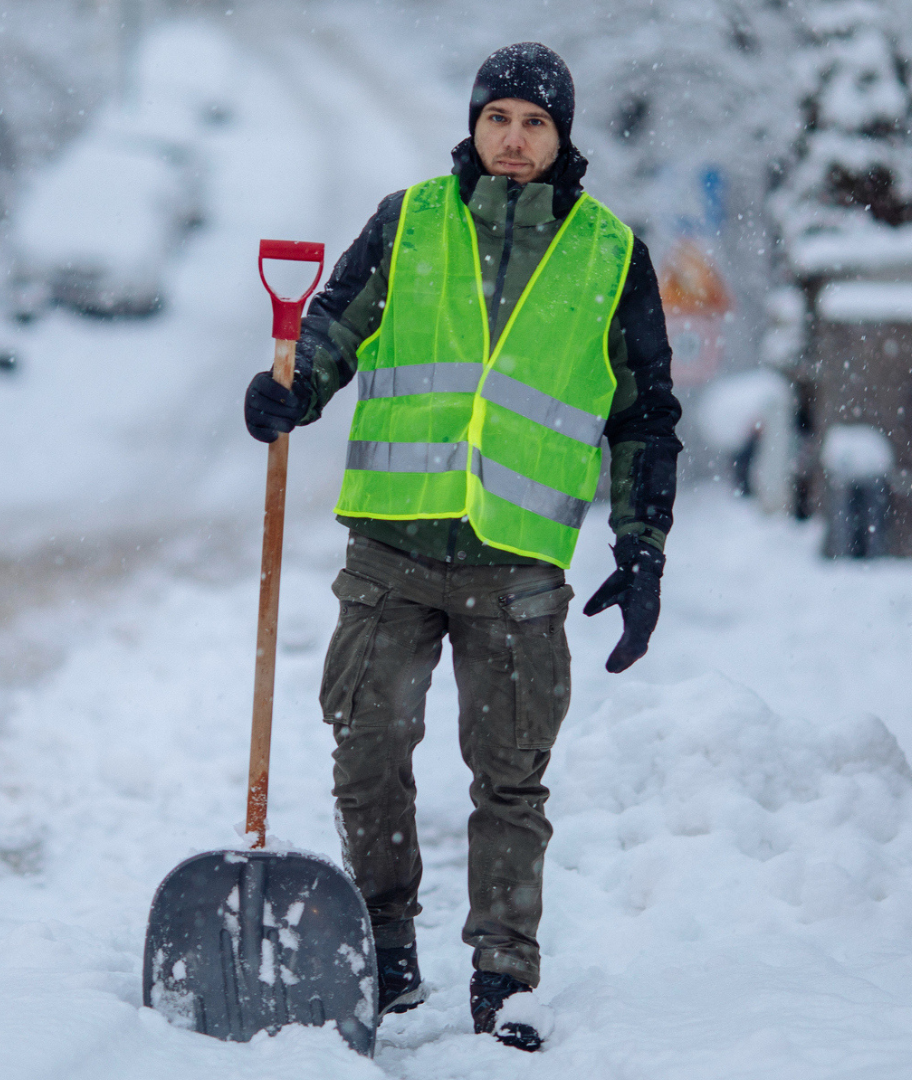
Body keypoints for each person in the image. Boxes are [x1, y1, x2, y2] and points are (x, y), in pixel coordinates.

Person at [242, 41, 681, 1051]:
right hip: (393, 549)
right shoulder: (409, 222)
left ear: (562, 137)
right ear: (474, 126)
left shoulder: (612, 253)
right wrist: (292, 390)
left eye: (535, 124)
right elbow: (334, 330)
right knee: (369, 744)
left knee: (511, 775)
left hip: (517, 567)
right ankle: (386, 946)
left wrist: (643, 546)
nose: (515, 141)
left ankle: (503, 977)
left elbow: (647, 415)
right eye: (499, 120)